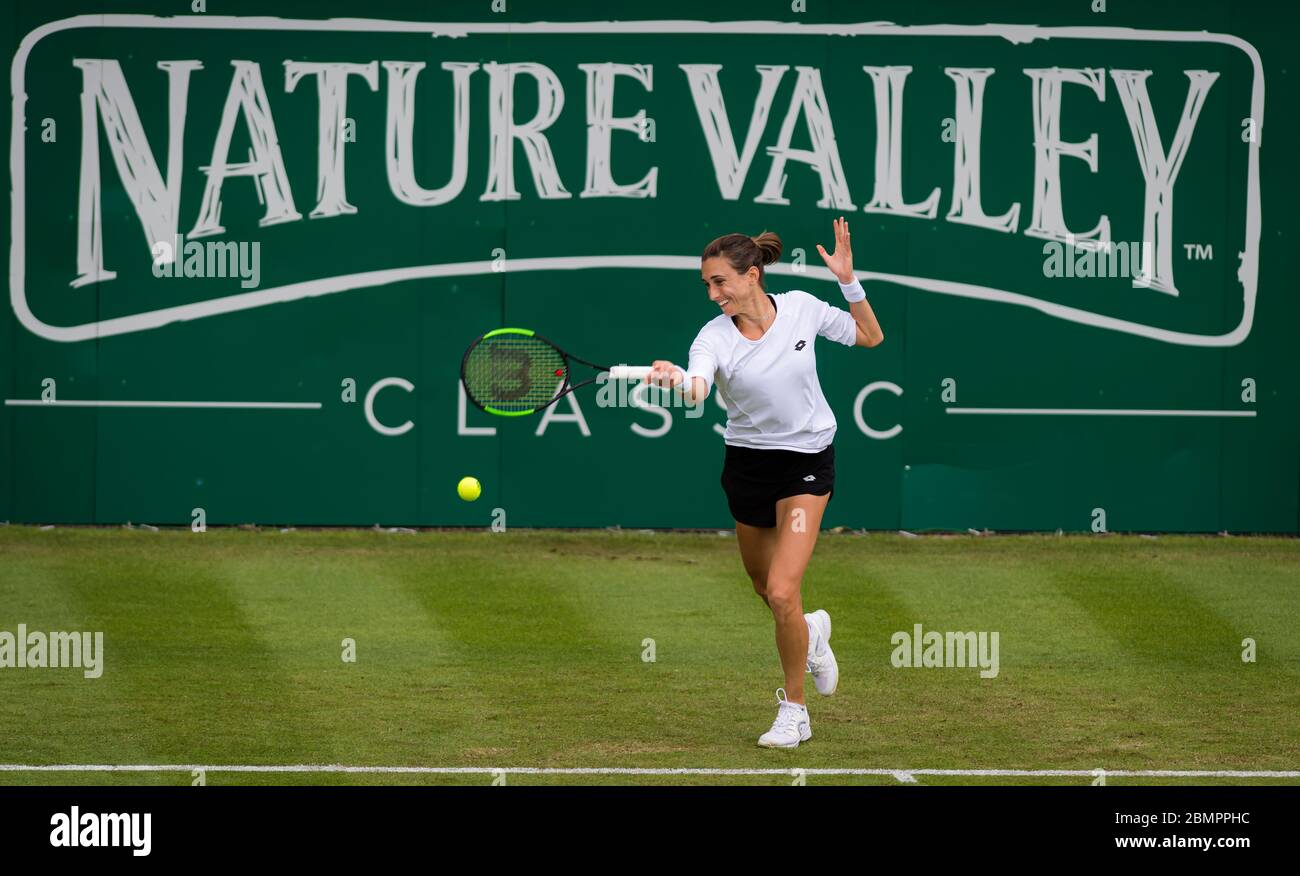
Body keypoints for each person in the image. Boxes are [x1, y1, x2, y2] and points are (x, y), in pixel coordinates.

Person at [646, 217, 885, 748]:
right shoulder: (712, 337)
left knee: (782, 590)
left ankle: (794, 709)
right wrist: (677, 381)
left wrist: (849, 282)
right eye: (707, 285)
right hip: (748, 466)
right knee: (765, 589)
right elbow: (697, 390)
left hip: (806, 461)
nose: (713, 294)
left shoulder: (801, 307)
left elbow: (870, 336)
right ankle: (812, 634)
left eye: (720, 282)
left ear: (752, 275)